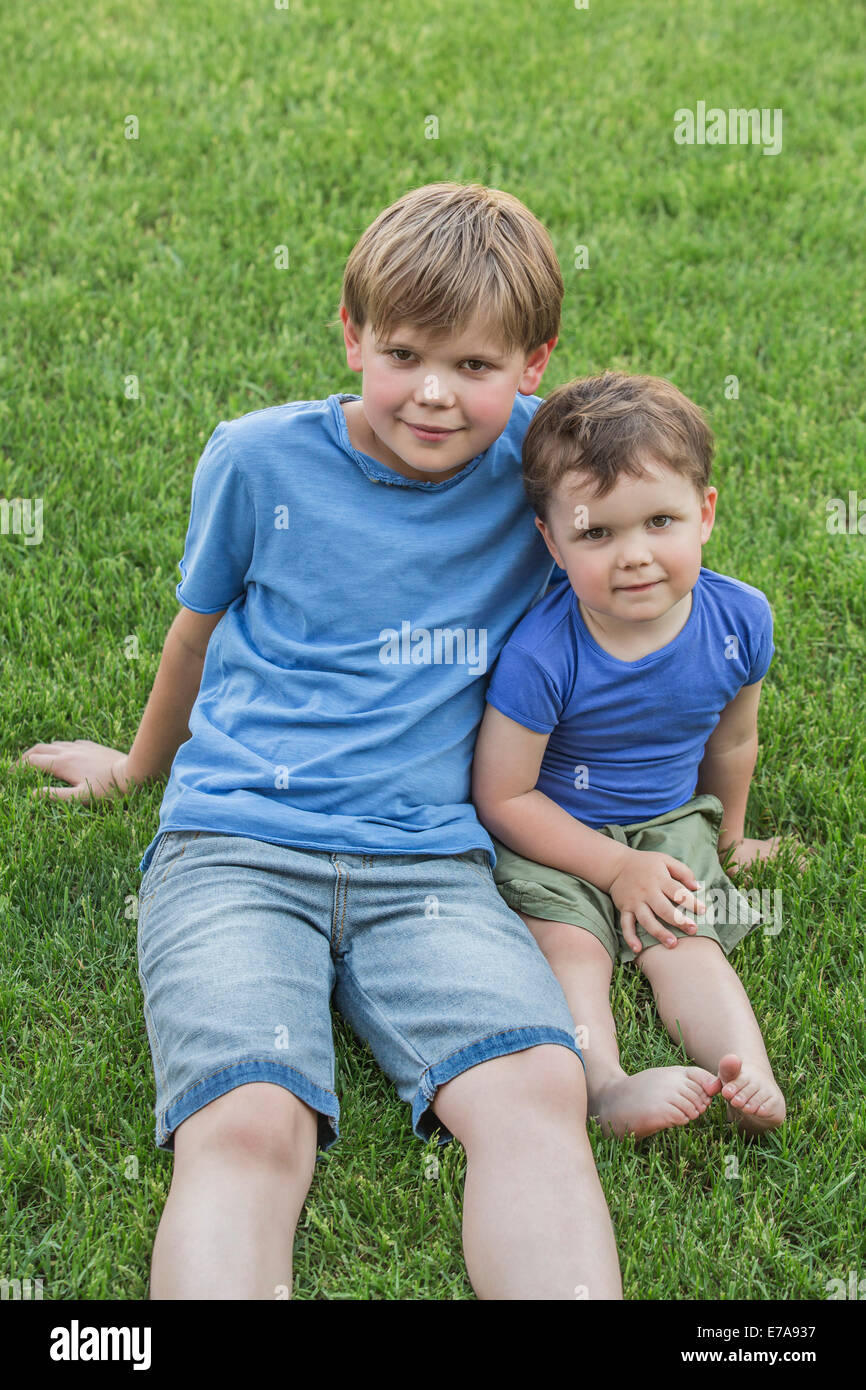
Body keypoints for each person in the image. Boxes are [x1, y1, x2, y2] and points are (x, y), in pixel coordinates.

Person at [18, 183, 622, 1300]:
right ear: (350, 334)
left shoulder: (549, 469)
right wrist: (138, 768)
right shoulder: (256, 461)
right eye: (401, 353)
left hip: (429, 860)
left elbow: (652, 544)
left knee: (539, 1086)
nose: (433, 394)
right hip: (235, 848)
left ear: (533, 365)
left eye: (476, 368)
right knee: (249, 1118)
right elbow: (193, 637)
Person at [472, 370, 799, 1143]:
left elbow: (732, 740)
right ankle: (605, 1086)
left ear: (705, 513)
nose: (636, 556)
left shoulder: (739, 619)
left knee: (688, 942)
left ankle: (744, 1068)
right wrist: (615, 870)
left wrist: (724, 840)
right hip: (556, 837)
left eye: (660, 520)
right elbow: (504, 797)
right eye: (597, 533)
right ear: (551, 541)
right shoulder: (545, 653)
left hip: (667, 823)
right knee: (573, 951)